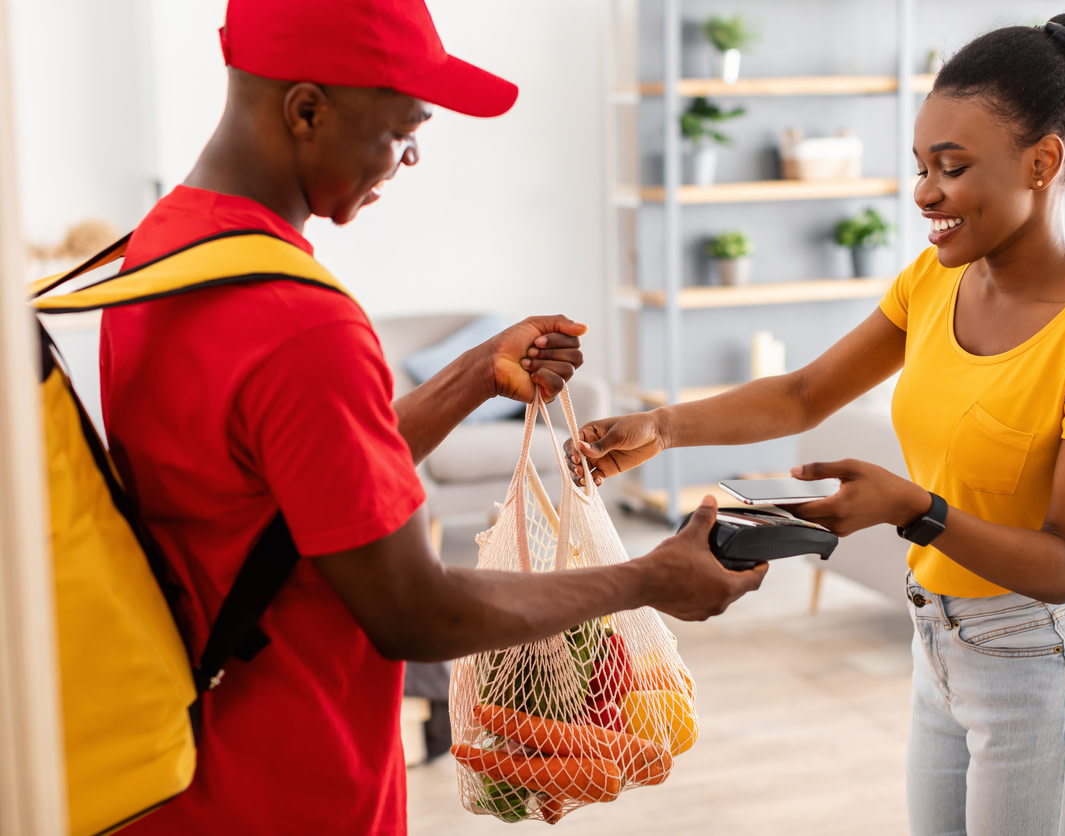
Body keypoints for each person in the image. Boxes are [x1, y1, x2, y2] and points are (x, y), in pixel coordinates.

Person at [101, 1, 766, 833]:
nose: (409, 159)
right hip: (291, 786)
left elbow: (298, 484)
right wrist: (647, 580)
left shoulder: (159, 253)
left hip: (184, 769)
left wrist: (474, 374)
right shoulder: (300, 320)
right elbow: (413, 609)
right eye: (402, 130)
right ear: (306, 110)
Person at [569, 12, 1065, 835]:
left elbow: (1063, 567)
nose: (923, 193)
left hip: (1044, 663)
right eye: (919, 166)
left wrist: (916, 510)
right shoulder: (935, 283)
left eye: (952, 167)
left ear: (1043, 162)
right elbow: (802, 394)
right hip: (939, 647)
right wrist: (662, 426)